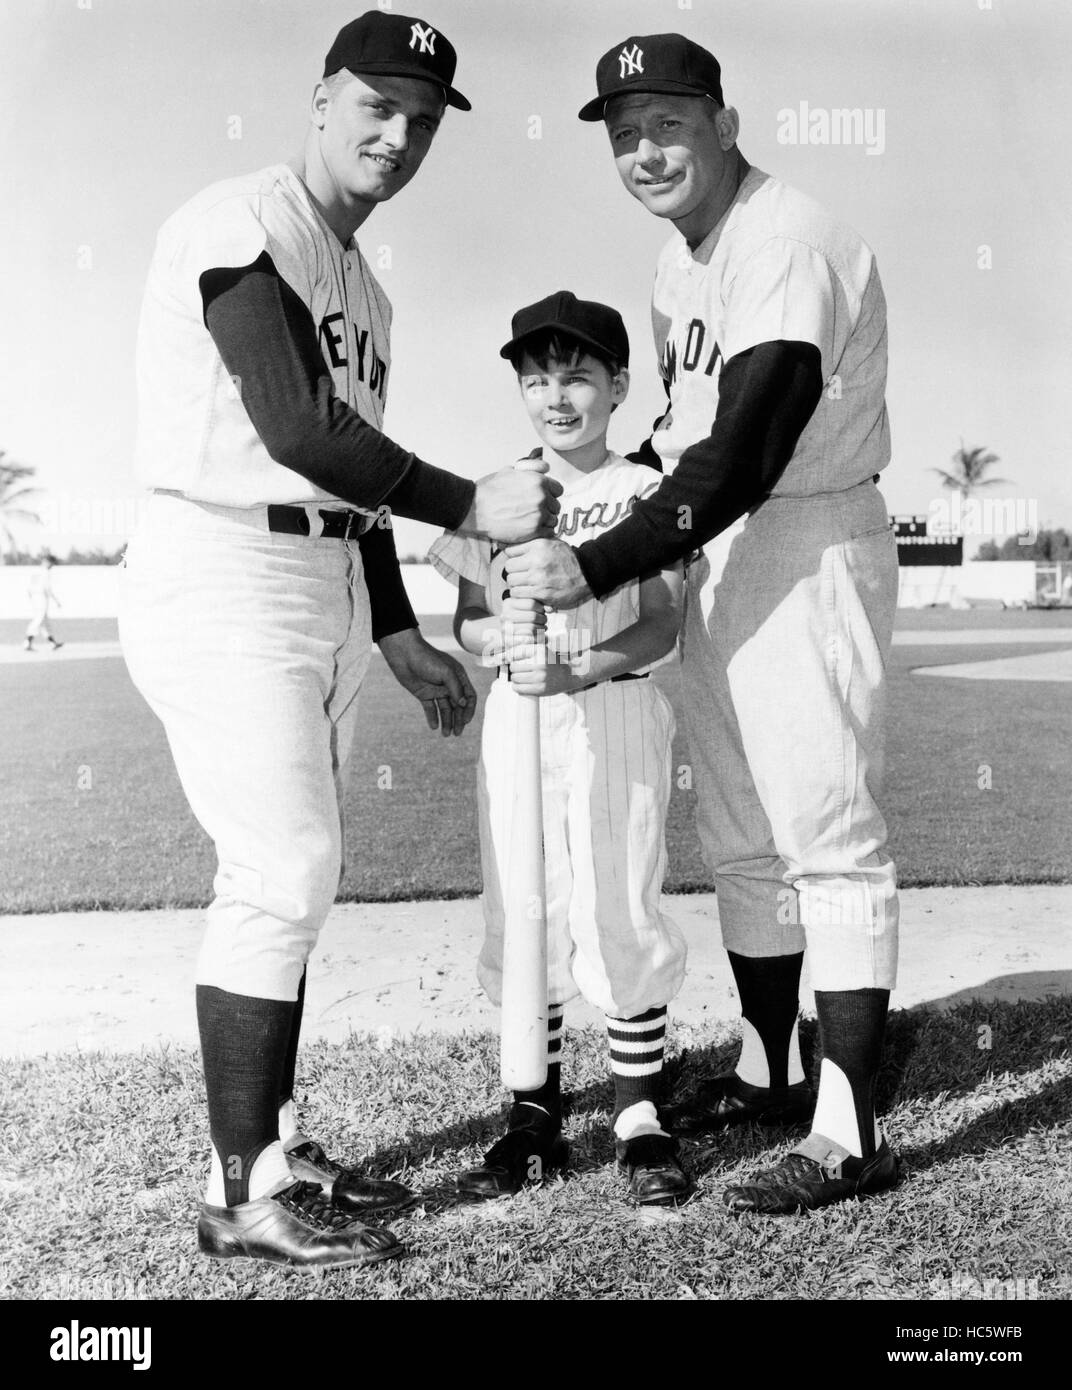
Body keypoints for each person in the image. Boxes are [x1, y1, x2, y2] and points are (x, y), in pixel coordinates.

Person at [119, 11, 559, 1270]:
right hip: (221, 561)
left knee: (297, 878)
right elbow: (300, 427)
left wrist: (401, 626)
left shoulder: (365, 285)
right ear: (320, 100)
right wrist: (469, 503)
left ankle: (271, 1149)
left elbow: (349, 486)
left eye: (421, 118)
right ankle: (238, 1195)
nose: (398, 133)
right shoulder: (236, 218)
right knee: (284, 864)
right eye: (376, 103)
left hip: (315, 575)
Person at [504, 32, 901, 1215]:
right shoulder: (684, 259)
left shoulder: (784, 238)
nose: (645, 148)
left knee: (827, 831)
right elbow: (683, 447)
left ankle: (848, 1128)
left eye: (669, 122)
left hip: (801, 532)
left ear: (726, 123)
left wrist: (595, 557)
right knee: (739, 826)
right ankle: (771, 1064)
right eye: (625, 133)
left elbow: (742, 450)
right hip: (718, 545)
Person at [429, 292, 690, 1207]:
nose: (556, 396)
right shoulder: (496, 493)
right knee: (525, 898)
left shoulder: (645, 491)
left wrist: (581, 668)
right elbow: (464, 620)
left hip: (612, 706)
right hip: (520, 718)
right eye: (537, 379)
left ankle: (638, 1115)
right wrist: (492, 641)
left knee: (618, 892)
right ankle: (532, 1109)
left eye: (576, 375)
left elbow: (662, 625)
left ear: (618, 385)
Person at [24, 554, 63, 652]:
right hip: (42, 598)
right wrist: (56, 601)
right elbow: (47, 589)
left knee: (44, 622)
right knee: (38, 620)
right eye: (52, 564)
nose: (52, 566)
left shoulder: (35, 572)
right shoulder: (45, 572)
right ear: (47, 562)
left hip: (34, 598)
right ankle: (27, 642)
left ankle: (53, 643)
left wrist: (32, 599)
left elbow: (28, 588)